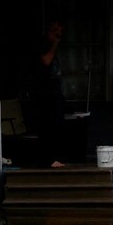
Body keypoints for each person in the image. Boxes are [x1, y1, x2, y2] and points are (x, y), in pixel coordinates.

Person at [25, 21, 68, 168]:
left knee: (57, 126)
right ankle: (48, 160)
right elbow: (46, 61)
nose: (58, 34)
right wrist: (54, 44)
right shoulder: (42, 45)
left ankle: (55, 158)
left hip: (54, 94)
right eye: (55, 30)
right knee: (46, 128)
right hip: (43, 95)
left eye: (60, 31)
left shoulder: (52, 47)